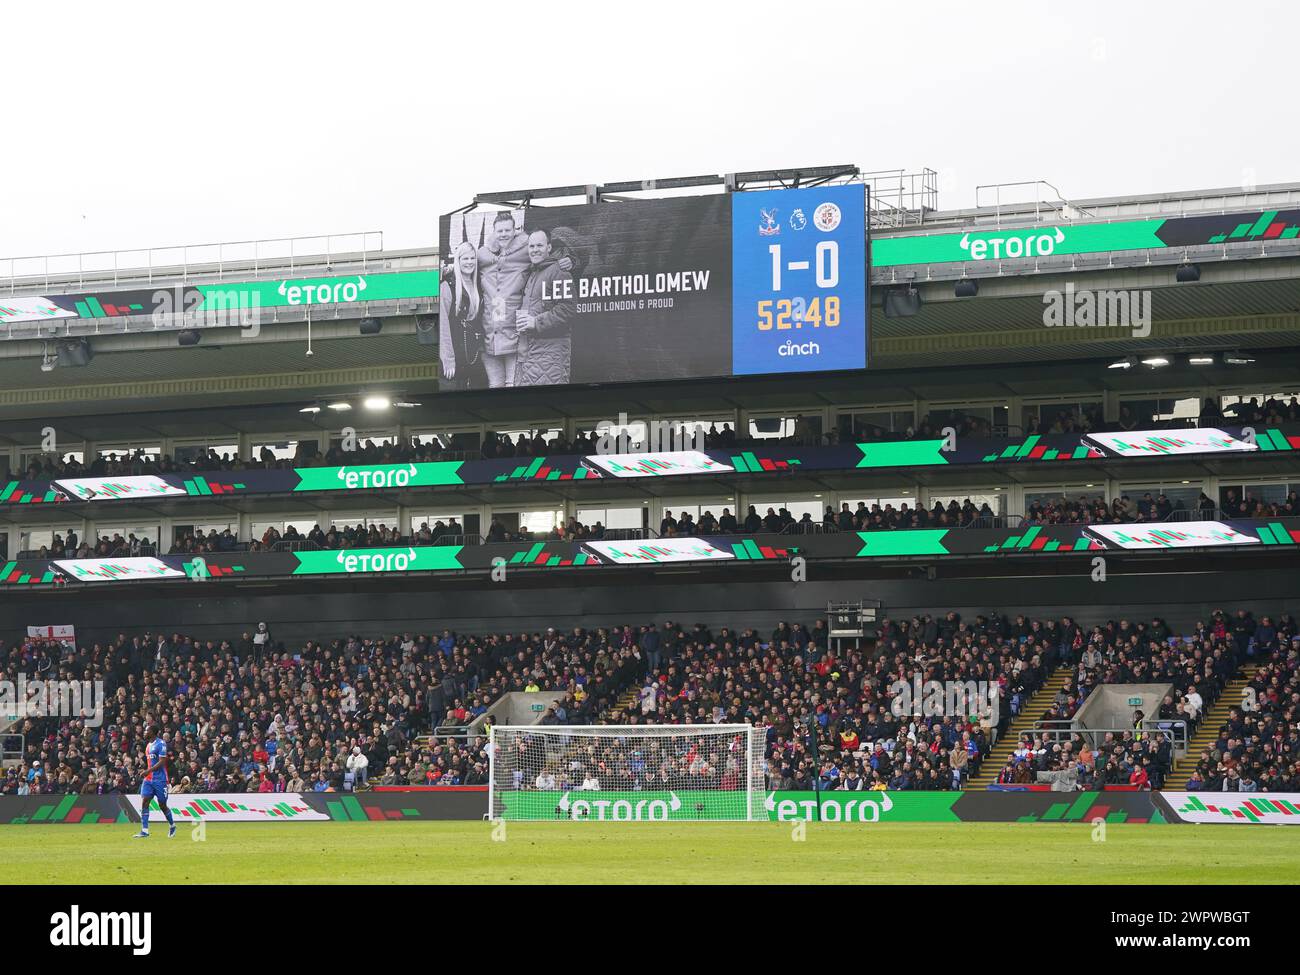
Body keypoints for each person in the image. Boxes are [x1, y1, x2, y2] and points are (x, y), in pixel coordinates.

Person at [515, 227, 579, 387]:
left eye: (539, 246)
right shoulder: (532, 273)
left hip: (551, 355)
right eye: (531, 246)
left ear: (549, 248)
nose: (535, 250)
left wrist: (536, 322)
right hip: (530, 354)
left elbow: (568, 309)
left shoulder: (559, 272)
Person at [477, 212, 531, 388]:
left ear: (514, 230)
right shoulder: (483, 254)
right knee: (495, 386)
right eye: (500, 231)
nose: (504, 234)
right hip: (489, 335)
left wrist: (570, 260)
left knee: (513, 385)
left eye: (507, 230)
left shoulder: (526, 248)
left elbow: (547, 253)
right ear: (494, 232)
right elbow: (463, 264)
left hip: (513, 334)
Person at [438, 241, 487, 389]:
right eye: (465, 258)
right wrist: (448, 359)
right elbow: (443, 325)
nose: (469, 262)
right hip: (454, 362)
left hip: (475, 358)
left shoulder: (479, 285)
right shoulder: (447, 286)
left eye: (472, 258)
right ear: (458, 261)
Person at [133, 724, 176, 839]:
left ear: (152, 732)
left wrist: (148, 771)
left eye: (147, 730)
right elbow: (150, 763)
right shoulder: (148, 745)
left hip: (160, 780)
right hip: (149, 780)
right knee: (145, 801)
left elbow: (162, 762)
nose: (144, 732)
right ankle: (144, 830)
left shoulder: (161, 744)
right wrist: (146, 771)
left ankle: (172, 825)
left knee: (162, 805)